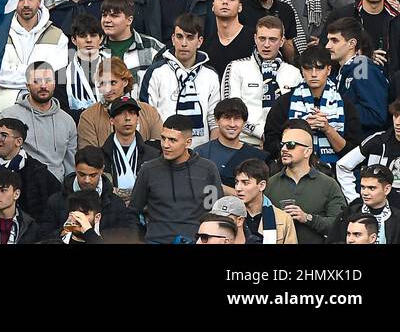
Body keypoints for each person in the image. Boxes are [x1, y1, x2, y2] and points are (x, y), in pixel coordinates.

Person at [128, 115, 223, 244]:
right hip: (156, 241)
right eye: (163, 138)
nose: (165, 145)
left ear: (188, 142)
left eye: (172, 140)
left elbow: (214, 213)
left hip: (195, 241)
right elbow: (133, 211)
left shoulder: (207, 169)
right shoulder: (148, 170)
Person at [262, 45, 361, 162]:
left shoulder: (345, 104)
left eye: (319, 68)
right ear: (302, 70)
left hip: (334, 173)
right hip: (292, 171)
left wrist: (328, 129)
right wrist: (302, 128)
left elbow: (353, 153)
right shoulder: (284, 102)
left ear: (328, 70)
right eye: (308, 68)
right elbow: (270, 145)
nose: (314, 74)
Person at [138, 14, 221, 146]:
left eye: (190, 37)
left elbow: (214, 121)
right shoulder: (155, 72)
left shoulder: (210, 75)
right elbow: (147, 118)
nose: (184, 43)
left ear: (200, 41)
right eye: (179, 36)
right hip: (163, 150)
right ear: (172, 39)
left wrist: (210, 154)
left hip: (200, 153)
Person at [222, 15, 303, 147]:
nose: (266, 45)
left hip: (282, 145)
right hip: (244, 143)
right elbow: (230, 110)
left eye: (272, 39)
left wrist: (276, 137)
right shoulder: (237, 67)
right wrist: (262, 133)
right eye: (262, 38)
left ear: (282, 41)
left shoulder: (293, 73)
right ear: (255, 38)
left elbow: (298, 113)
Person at [0, 0, 67, 115]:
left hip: (44, 112)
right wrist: (36, 75)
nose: (26, 4)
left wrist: (15, 71)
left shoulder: (58, 36)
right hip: (4, 111)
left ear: (40, 0)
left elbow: (55, 77)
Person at [266, 118, 348, 242]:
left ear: (307, 151)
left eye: (291, 145)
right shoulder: (270, 184)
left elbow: (339, 224)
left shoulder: (328, 184)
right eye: (282, 145)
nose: (284, 149)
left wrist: (307, 218)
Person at [0, 62, 78, 180]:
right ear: (27, 85)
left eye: (48, 80)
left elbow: (70, 167)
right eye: (36, 81)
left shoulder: (67, 121)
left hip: (57, 190)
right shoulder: (8, 117)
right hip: (22, 189)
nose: (43, 86)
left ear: (55, 84)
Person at [336, 93, 400, 210]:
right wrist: (355, 201)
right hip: (381, 217)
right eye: (395, 116)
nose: (397, 122)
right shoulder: (378, 141)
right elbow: (343, 165)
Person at [326, 16, 390, 134]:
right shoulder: (343, 69)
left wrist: (335, 110)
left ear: (352, 43)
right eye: (328, 40)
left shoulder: (361, 67)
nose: (328, 46)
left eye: (334, 40)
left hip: (364, 145)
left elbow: (375, 115)